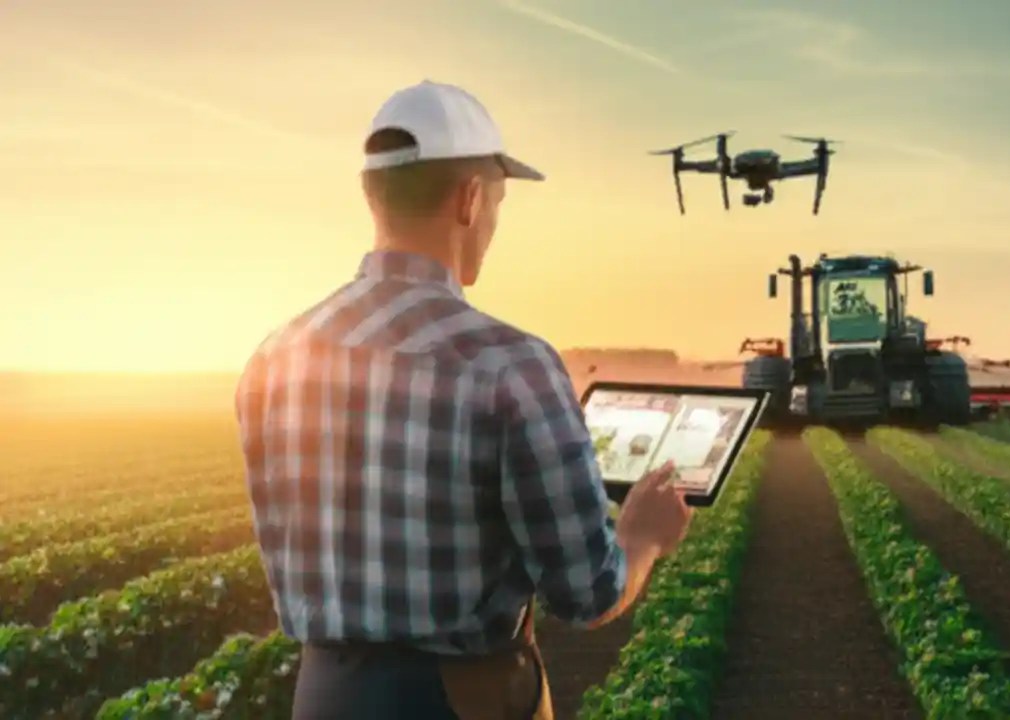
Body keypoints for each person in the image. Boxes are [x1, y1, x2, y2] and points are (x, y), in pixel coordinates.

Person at [234, 79, 695, 719]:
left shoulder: (274, 357)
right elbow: (587, 594)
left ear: (373, 196)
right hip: (460, 701)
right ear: (471, 200)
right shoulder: (510, 366)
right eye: (498, 202)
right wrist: (642, 538)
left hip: (323, 696)